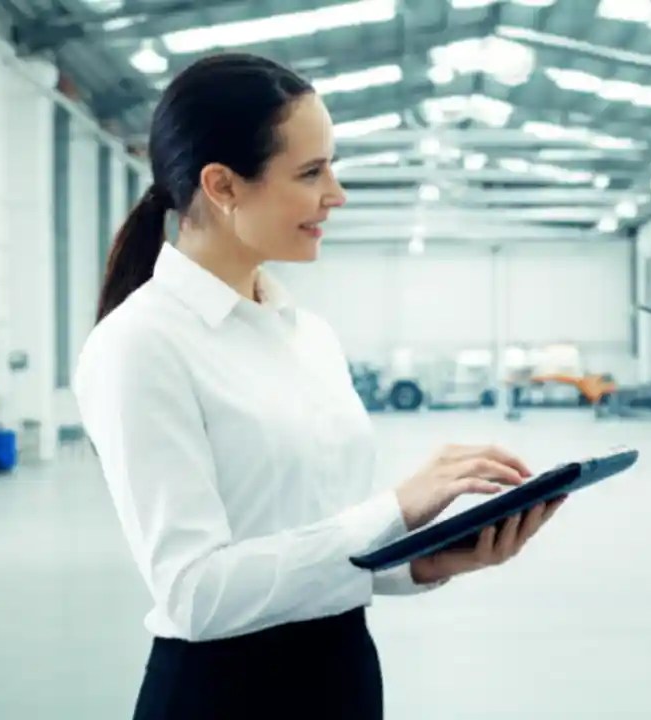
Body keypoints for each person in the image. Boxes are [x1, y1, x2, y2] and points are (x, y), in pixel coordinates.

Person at [72, 53, 563, 720]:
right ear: (223, 186)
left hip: (341, 675)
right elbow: (195, 593)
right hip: (224, 696)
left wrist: (424, 559)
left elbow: (321, 542)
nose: (337, 193)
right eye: (311, 172)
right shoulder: (140, 345)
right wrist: (395, 506)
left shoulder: (306, 334)